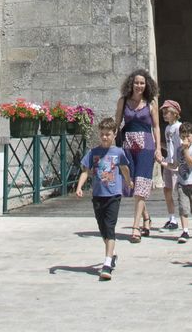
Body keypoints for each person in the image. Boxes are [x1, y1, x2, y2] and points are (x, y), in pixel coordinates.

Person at [76, 116, 134, 280]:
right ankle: (113, 254)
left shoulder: (118, 152)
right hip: (97, 195)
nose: (104, 137)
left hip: (113, 195)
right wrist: (79, 187)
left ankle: (107, 263)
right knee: (102, 228)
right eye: (102, 134)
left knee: (109, 227)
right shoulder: (93, 153)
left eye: (108, 134)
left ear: (114, 134)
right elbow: (86, 171)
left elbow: (124, 168)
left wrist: (129, 182)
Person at [114, 68, 164, 242]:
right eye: (136, 82)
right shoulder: (123, 101)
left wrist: (158, 148)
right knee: (133, 185)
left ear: (147, 85)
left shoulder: (151, 104)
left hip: (146, 148)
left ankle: (135, 227)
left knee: (142, 184)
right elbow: (117, 123)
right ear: (131, 83)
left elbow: (156, 127)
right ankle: (147, 217)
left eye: (142, 83)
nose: (139, 86)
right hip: (128, 146)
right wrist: (110, 145)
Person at [159, 99, 182, 229]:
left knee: (182, 193)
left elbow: (180, 147)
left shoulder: (179, 128)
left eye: (167, 111)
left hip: (177, 164)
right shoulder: (167, 128)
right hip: (169, 162)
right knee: (167, 190)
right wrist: (158, 146)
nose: (164, 114)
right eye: (163, 112)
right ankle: (172, 218)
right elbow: (170, 146)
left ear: (174, 113)